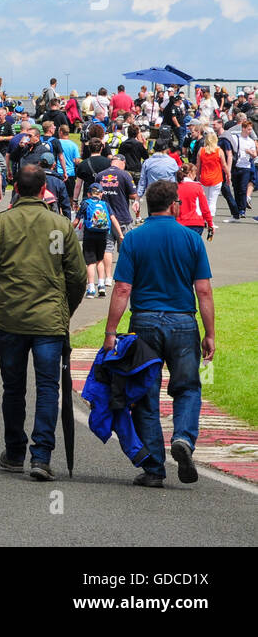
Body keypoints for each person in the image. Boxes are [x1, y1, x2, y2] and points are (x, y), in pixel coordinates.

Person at [103, 179, 216, 488]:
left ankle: (154, 467)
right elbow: (203, 291)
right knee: (188, 387)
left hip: (144, 323)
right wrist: (210, 333)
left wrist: (111, 331)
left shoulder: (134, 239)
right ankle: (183, 437)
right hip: (182, 322)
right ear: (174, 205)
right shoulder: (191, 240)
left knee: (143, 393)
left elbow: (123, 288)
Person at [0, 164, 85, 479]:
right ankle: (41, 456)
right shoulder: (59, 225)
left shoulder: (0, 224)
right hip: (49, 320)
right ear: (43, 191)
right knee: (48, 387)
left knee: (12, 388)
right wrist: (67, 309)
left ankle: (14, 452)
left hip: (11, 317)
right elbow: (77, 276)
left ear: (16, 189)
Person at [75, 182, 123, 298]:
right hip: (103, 235)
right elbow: (113, 219)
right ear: (101, 193)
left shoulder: (85, 203)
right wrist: (120, 234)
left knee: (90, 263)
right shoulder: (105, 204)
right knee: (99, 260)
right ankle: (101, 286)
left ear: (89, 194)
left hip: (89, 236)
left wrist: (69, 231)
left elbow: (76, 221)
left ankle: (91, 288)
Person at [174, 164, 213, 238]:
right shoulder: (197, 187)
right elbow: (204, 208)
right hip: (195, 223)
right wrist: (210, 224)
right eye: (195, 174)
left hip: (179, 223)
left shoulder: (175, 187)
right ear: (190, 174)